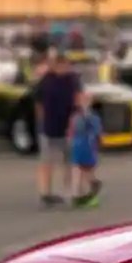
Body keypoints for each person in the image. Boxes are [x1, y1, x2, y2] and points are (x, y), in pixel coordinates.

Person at [34, 52, 82, 206]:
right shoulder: (46, 81)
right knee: (47, 161)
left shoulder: (73, 80)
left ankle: (68, 192)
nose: (62, 67)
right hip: (49, 126)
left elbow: (78, 98)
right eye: (59, 64)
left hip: (69, 126)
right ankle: (45, 193)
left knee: (69, 161)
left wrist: (77, 119)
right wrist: (42, 121)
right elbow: (38, 102)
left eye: (65, 64)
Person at [69, 90, 103, 208]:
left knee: (87, 171)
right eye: (81, 100)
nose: (83, 102)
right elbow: (72, 131)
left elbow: (97, 132)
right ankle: (76, 195)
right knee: (77, 169)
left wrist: (96, 144)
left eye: (86, 100)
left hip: (88, 145)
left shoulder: (92, 117)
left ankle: (90, 191)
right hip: (78, 145)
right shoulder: (75, 116)